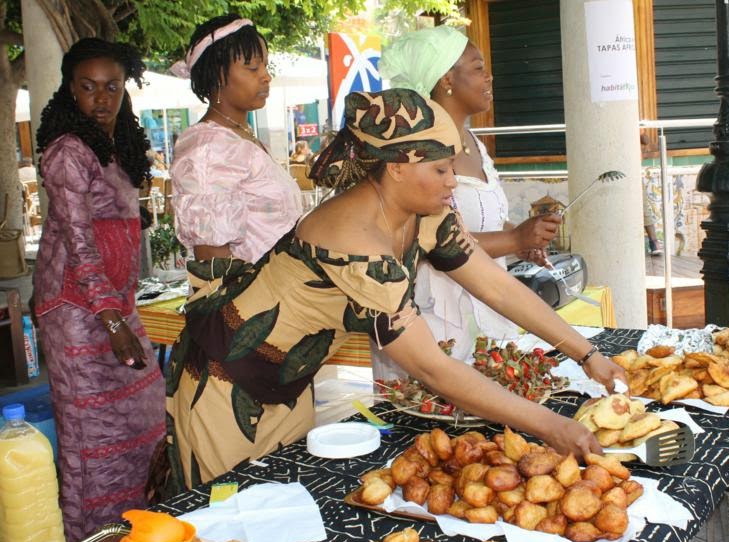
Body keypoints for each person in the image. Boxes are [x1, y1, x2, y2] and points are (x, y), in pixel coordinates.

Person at [165, 88, 625, 491]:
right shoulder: (354, 241)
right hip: (222, 390)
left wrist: (587, 354)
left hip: (289, 388)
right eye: (442, 169)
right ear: (398, 167)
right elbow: (431, 367)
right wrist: (549, 425)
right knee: (225, 531)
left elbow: (498, 287)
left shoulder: (426, 213)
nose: (452, 181)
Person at [33, 38, 165, 542]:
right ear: (70, 89)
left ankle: (137, 532)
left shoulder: (115, 145)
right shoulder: (67, 152)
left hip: (114, 304)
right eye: (88, 87)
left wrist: (118, 310)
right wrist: (112, 321)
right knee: (94, 438)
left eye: (112, 86)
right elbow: (79, 242)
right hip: (76, 312)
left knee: (143, 416)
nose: (102, 98)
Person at [374, 26, 564, 370]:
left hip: (486, 317)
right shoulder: (417, 149)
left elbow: (481, 222)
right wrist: (514, 239)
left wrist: (519, 240)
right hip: (432, 328)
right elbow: (428, 243)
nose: (489, 77)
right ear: (447, 78)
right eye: (478, 68)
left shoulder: (473, 143)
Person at [171, 14, 302, 265]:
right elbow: (212, 258)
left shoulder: (238, 137)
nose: (265, 76)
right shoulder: (209, 149)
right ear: (218, 75)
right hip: (254, 289)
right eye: (252, 68)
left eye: (265, 66)